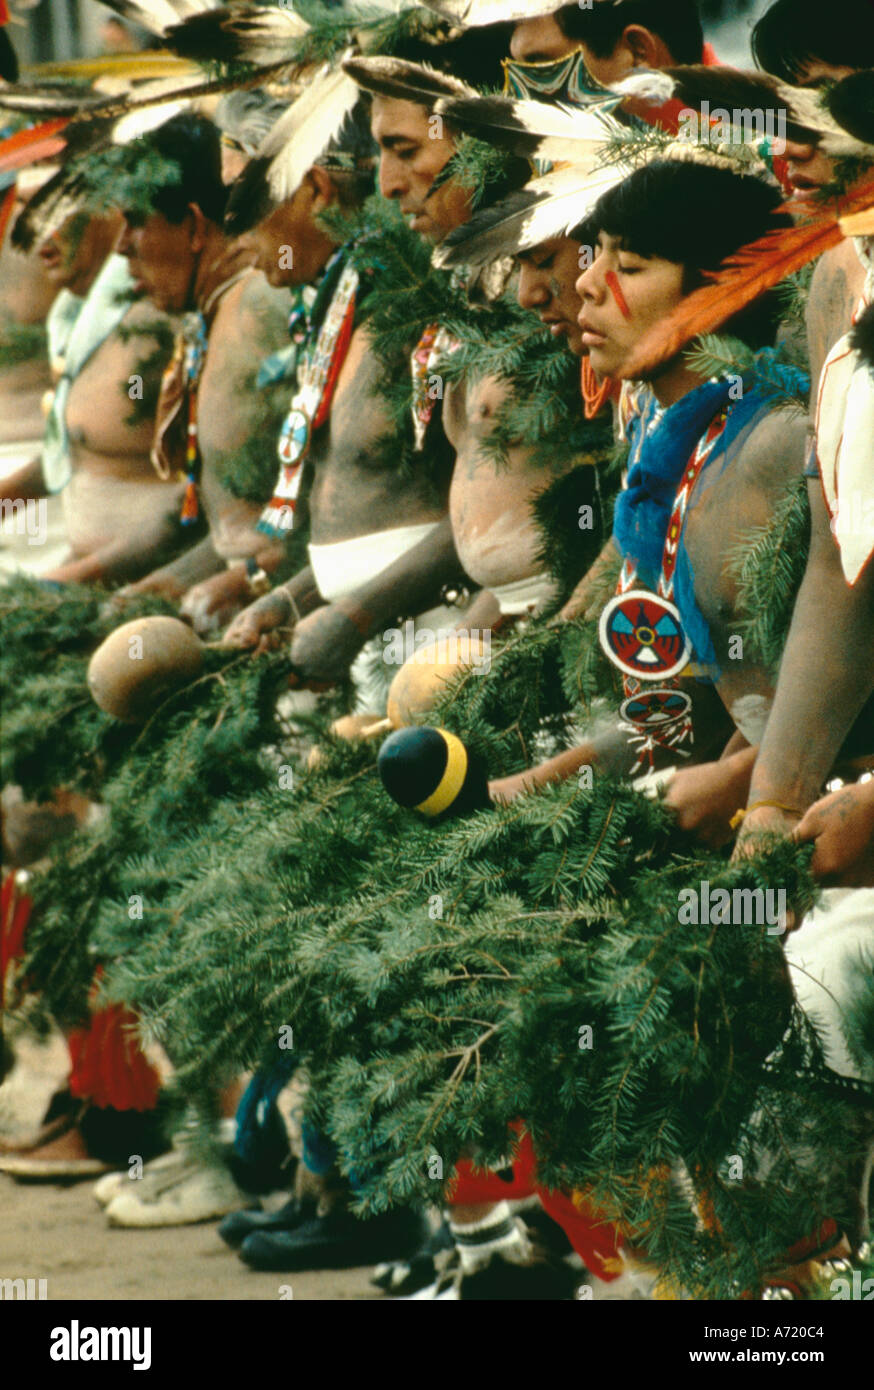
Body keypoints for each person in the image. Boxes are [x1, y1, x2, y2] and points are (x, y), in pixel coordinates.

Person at [112, 113, 293, 636]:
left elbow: (330, 507)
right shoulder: (215, 315)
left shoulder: (266, 308)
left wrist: (253, 583)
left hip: (291, 630)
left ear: (193, 226)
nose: (122, 244)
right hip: (244, 622)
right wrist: (156, 586)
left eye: (136, 220)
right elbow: (235, 533)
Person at [0, 207, 184, 585]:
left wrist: (81, 575)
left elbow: (204, 501)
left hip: (144, 583)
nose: (39, 240)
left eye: (56, 215)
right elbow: (73, 448)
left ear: (109, 211)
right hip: (74, 569)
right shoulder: (76, 320)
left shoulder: (159, 323)